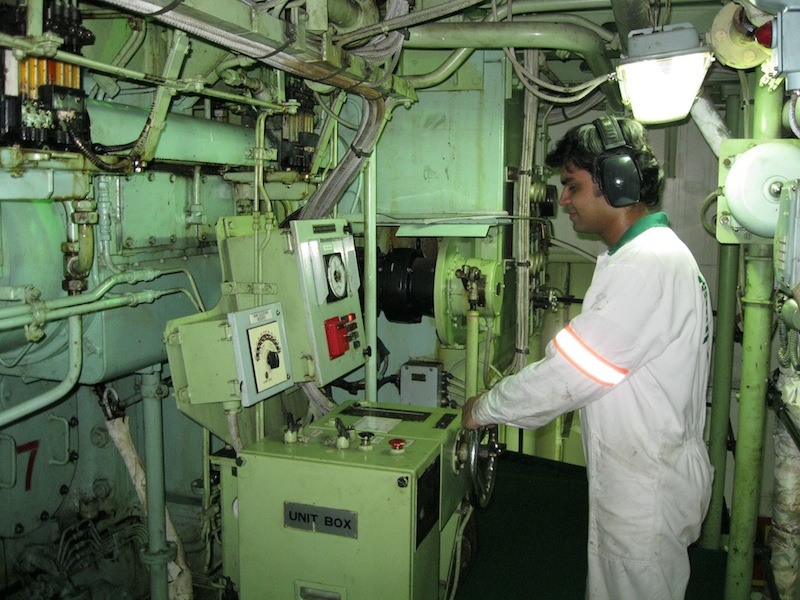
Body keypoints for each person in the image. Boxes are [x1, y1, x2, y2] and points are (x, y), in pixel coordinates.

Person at [462, 116, 713, 600]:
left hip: (644, 491)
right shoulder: (653, 257)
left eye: (572, 187)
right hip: (651, 473)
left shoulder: (647, 266)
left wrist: (485, 407)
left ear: (614, 184)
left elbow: (568, 377)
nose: (563, 202)